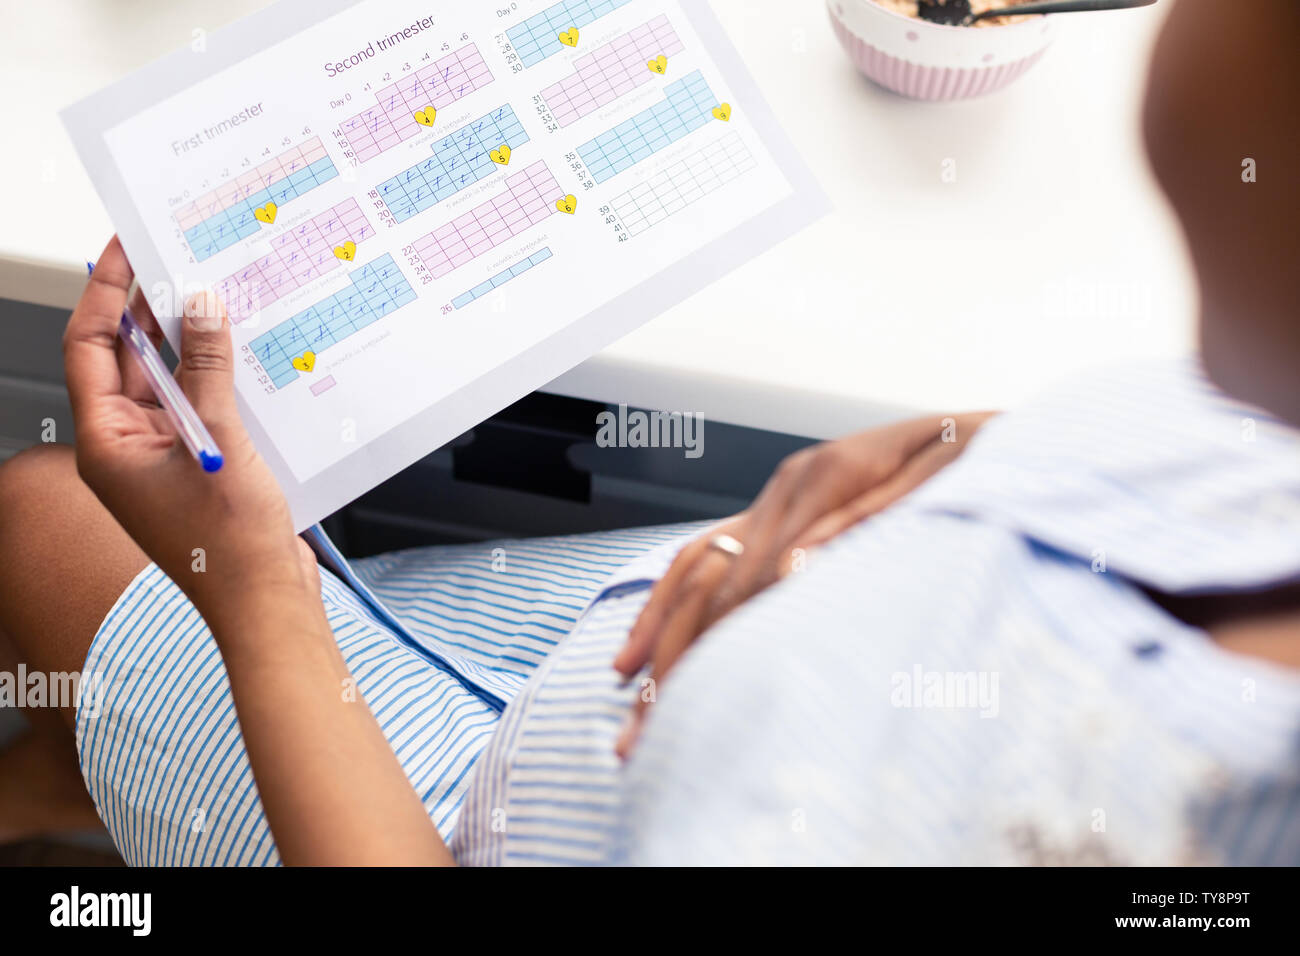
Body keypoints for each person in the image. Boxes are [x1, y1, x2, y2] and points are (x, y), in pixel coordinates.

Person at [1, 0, 1297, 865]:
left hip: (442, 826)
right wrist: (960, 452)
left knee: (41, 515)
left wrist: (260, 594)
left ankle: (89, 780)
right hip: (613, 640)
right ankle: (92, 772)